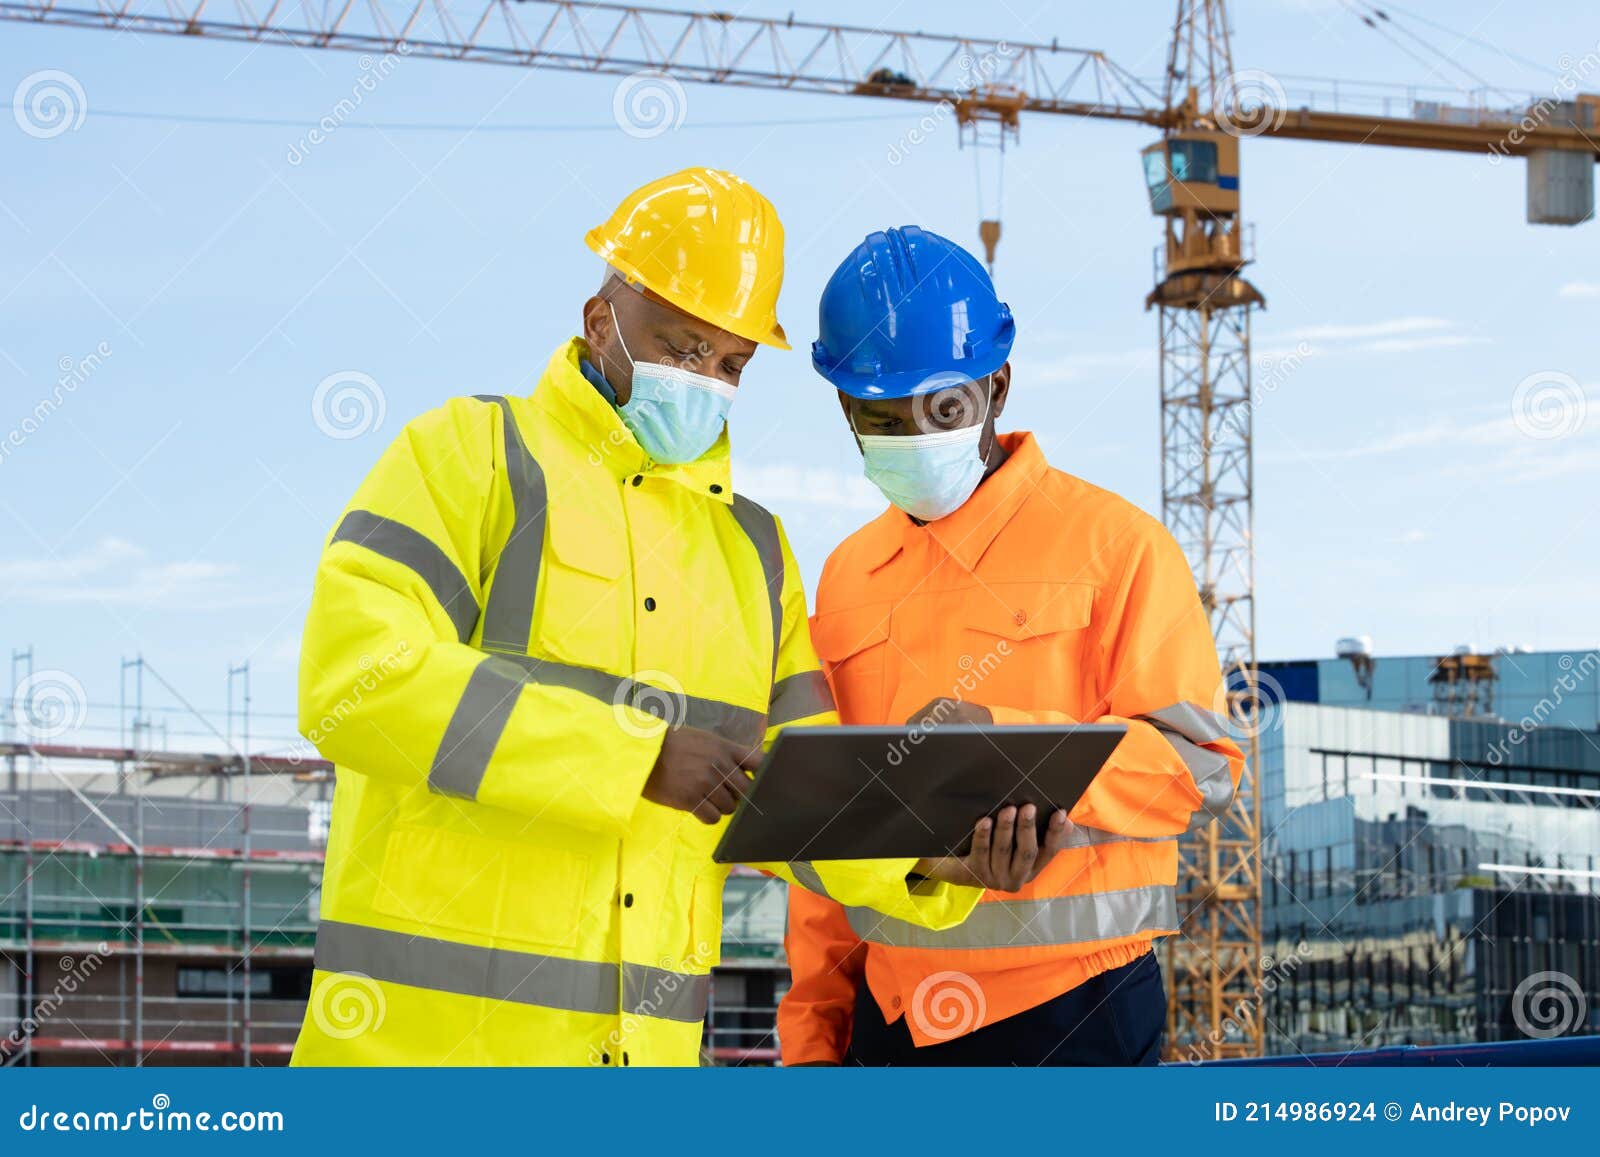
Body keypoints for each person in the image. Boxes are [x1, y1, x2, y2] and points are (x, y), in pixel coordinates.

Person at [290, 175, 1068, 1067]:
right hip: (418, 1069)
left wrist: (932, 864)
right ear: (600, 320)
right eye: (682, 346)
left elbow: (800, 793)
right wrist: (634, 755)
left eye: (731, 363)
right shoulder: (471, 456)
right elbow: (356, 678)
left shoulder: (755, 552)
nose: (704, 380)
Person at [778, 226, 1245, 1067]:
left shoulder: (1117, 546)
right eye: (882, 417)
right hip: (890, 1021)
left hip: (1074, 1012)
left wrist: (1022, 753)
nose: (915, 433)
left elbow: (1199, 768)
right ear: (844, 408)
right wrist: (813, 1035)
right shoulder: (847, 574)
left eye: (943, 405)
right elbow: (829, 826)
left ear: (998, 384)